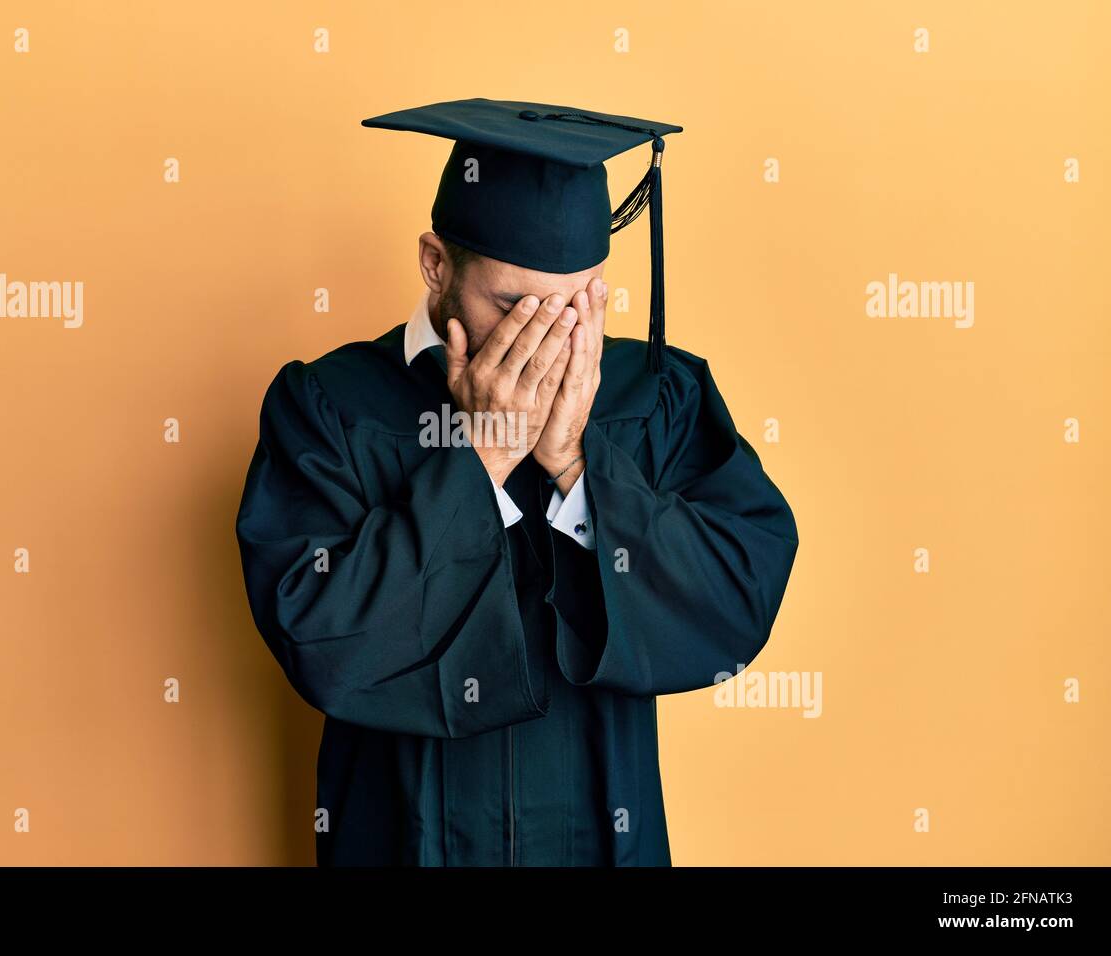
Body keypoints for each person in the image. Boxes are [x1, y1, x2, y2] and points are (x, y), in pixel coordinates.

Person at [235, 98, 799, 866]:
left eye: (577, 304)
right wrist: (481, 460)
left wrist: (575, 466)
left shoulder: (657, 397)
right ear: (437, 264)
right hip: (402, 841)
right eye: (514, 305)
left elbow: (734, 599)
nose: (549, 338)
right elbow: (321, 640)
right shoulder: (330, 406)